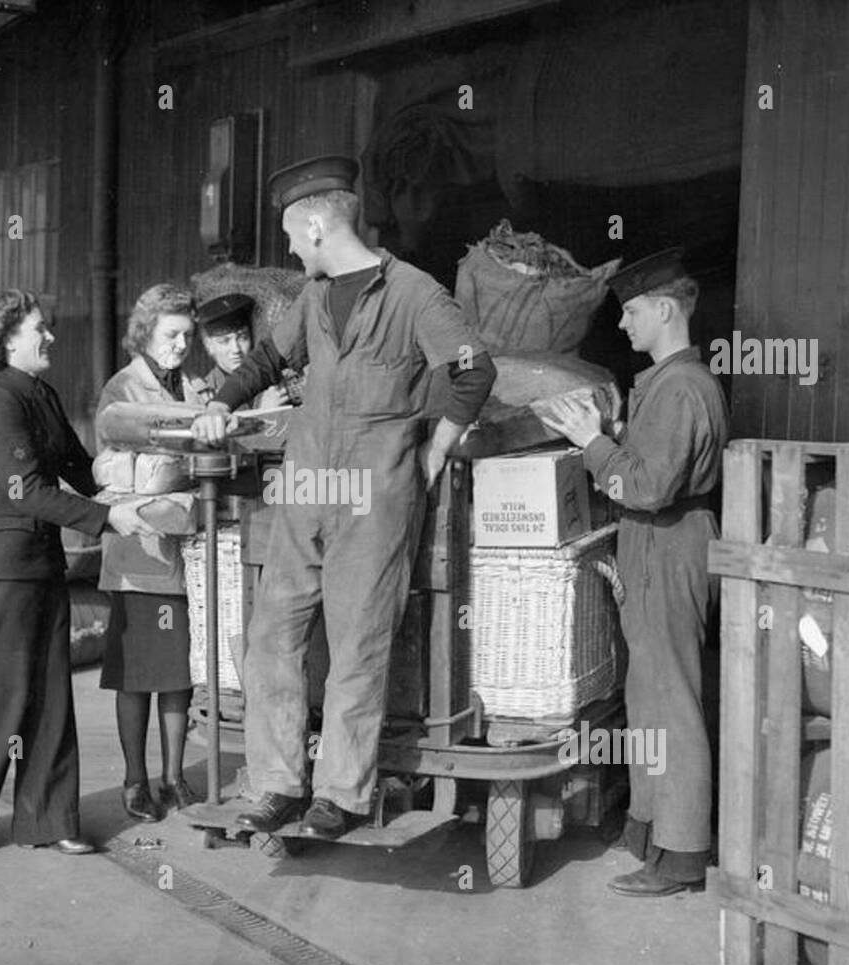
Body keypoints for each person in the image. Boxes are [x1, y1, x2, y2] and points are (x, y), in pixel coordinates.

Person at [191, 155, 496, 840]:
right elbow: (268, 360)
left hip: (374, 494)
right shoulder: (312, 296)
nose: (292, 250)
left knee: (358, 640)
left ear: (321, 224)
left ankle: (340, 791)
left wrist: (436, 446)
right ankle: (275, 783)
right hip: (305, 486)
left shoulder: (416, 293)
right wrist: (221, 399)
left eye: (294, 237)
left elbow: (474, 371)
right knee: (273, 633)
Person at [0, 289, 155, 856]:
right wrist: (109, 519)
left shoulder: (40, 395)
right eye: (39, 328)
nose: (50, 336)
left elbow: (79, 467)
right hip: (1, 574)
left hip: (39, 568)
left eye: (48, 326)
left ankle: (50, 820)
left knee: (50, 696)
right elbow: (29, 493)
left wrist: (133, 488)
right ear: (6, 340)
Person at [542, 247, 729, 897]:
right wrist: (611, 430)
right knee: (649, 697)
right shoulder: (667, 383)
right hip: (654, 547)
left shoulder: (683, 386)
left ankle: (681, 854)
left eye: (631, 311)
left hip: (670, 545)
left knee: (671, 702)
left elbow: (647, 486)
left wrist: (593, 442)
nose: (622, 324)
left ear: (666, 309)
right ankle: (651, 829)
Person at [93, 283, 203, 822]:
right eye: (171, 334)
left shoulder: (199, 386)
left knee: (177, 671)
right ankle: (135, 780)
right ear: (145, 334)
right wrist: (169, 467)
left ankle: (174, 775)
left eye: (188, 334)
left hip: (183, 555)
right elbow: (117, 467)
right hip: (138, 555)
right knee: (136, 673)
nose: (181, 344)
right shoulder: (122, 390)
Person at [186, 293, 290, 409]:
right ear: (209, 346)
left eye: (242, 337)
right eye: (224, 341)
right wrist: (262, 412)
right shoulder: (205, 394)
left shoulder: (273, 376)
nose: (236, 349)